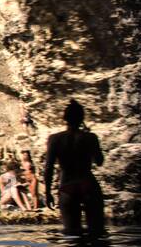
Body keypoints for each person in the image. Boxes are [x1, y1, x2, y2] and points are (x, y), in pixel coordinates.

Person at [44, 99, 106, 236]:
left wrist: (47, 193)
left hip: (67, 186)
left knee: (72, 234)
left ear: (65, 118)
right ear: (82, 118)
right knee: (97, 233)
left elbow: (49, 167)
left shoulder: (55, 139)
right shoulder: (90, 137)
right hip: (87, 183)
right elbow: (100, 161)